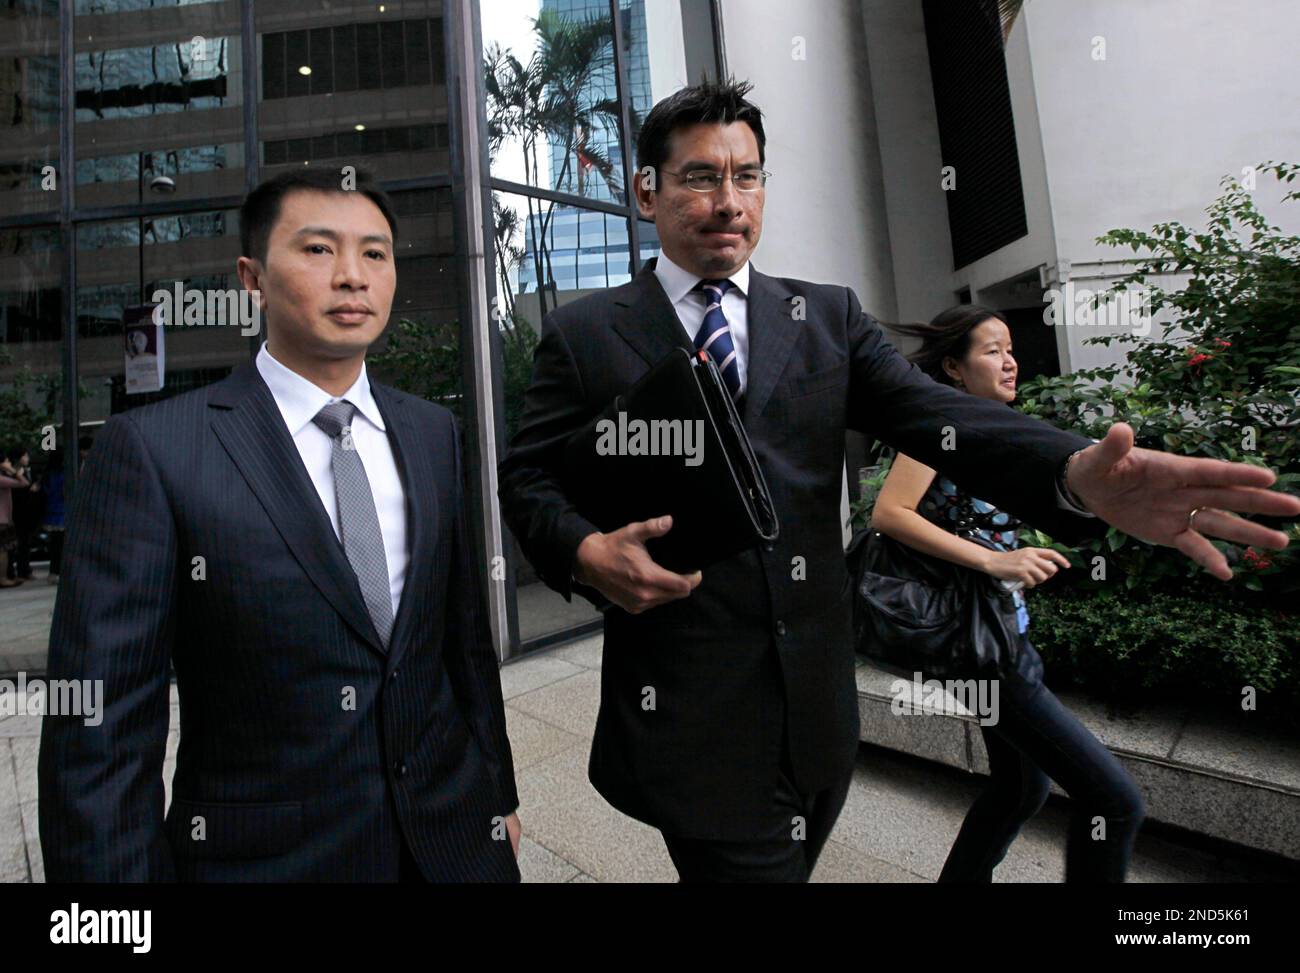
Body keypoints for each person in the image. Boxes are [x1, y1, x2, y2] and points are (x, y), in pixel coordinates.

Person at [497, 79, 1300, 883]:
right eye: (701, 177)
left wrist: (1073, 471)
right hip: (690, 710)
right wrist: (585, 551)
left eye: (747, 176)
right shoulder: (586, 331)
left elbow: (935, 414)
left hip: (818, 713)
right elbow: (529, 478)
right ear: (648, 191)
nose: (728, 199)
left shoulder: (827, 317)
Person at [39, 166, 521, 882]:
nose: (353, 276)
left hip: (454, 844)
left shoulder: (431, 434)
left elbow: (462, 645)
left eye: (376, 253)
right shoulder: (156, 451)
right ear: (252, 277)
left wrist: (497, 795)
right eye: (319, 250)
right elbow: (98, 726)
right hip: (269, 861)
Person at [872, 305, 1144, 881]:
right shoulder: (936, 432)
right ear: (953, 366)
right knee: (1115, 802)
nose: (1010, 361)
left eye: (1010, 348)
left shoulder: (994, 435)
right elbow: (889, 514)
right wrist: (996, 559)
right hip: (986, 646)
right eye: (992, 350)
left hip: (1005, 630)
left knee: (1021, 787)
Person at [0, 452, 30, 589]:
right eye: (7, 461)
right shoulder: (1, 479)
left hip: (4, 518)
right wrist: (12, 471)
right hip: (2, 520)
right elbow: (24, 483)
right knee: (3, 551)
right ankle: (3, 578)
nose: (9, 464)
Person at [39, 448, 66, 583]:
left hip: (50, 513)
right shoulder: (64, 475)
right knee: (62, 545)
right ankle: (58, 571)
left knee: (55, 545)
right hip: (62, 512)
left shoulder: (47, 475)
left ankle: (53, 571)